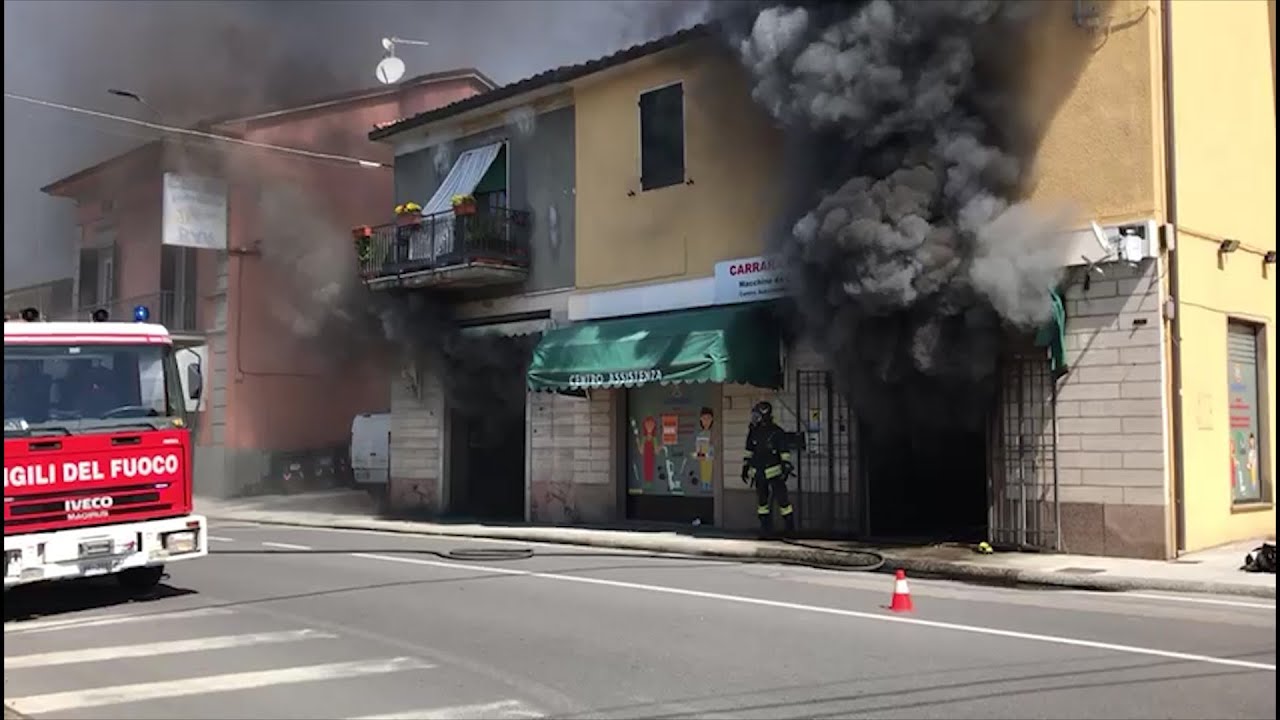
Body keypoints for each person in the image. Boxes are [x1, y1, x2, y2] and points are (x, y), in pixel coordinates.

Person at [741, 400, 795, 535]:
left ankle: (790, 528)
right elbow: (749, 450)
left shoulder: (776, 432)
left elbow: (784, 450)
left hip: (774, 471)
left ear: (764, 414)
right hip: (758, 472)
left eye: (757, 415)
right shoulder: (753, 431)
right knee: (762, 503)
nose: (754, 418)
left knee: (783, 501)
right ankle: (765, 529)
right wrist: (745, 467)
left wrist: (786, 464)